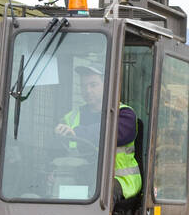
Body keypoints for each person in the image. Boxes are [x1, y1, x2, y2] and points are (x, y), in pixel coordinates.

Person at [56, 64, 142, 200]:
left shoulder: (125, 114)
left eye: (93, 85)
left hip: (118, 179)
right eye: (83, 86)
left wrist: (77, 133)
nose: (88, 90)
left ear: (107, 85)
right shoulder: (71, 117)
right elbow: (57, 150)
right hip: (78, 177)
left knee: (101, 193)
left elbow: (110, 132)